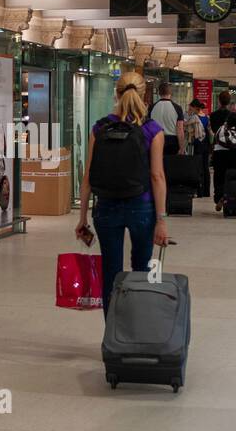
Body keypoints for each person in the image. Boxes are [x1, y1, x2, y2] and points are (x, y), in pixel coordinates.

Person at [75, 70, 170, 315]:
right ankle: (136, 331)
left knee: (111, 272)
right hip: (142, 207)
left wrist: (82, 217)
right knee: (141, 269)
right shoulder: (152, 130)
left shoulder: (99, 128)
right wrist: (161, 220)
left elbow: (88, 176)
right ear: (144, 94)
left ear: (116, 94)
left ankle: (113, 335)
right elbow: (157, 177)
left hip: (106, 207)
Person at [209, 92, 236, 212]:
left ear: (219, 100)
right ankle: (229, 198)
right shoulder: (233, 115)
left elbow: (213, 130)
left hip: (219, 150)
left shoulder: (213, 115)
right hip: (232, 151)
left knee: (218, 175)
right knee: (231, 175)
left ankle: (219, 197)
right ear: (229, 102)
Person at [149, 82, 186, 156]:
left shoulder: (152, 107)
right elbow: (180, 129)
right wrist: (182, 148)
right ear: (170, 93)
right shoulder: (177, 108)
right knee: (171, 166)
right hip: (172, 142)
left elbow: (149, 126)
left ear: (159, 93)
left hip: (156, 140)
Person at [186, 98, 212, 197]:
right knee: (206, 167)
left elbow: (184, 125)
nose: (190, 109)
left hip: (198, 144)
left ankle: (199, 191)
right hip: (206, 144)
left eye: (191, 107)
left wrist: (188, 113)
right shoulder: (206, 117)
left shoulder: (194, 117)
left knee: (198, 167)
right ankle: (206, 191)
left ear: (195, 107)